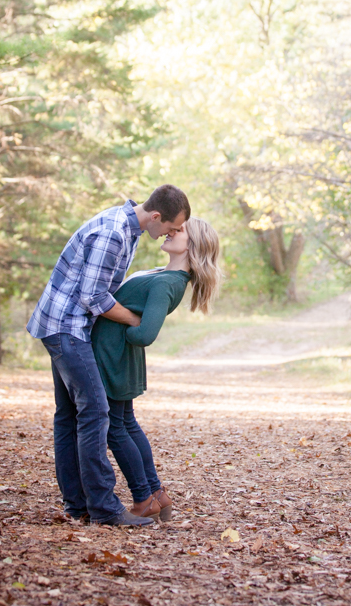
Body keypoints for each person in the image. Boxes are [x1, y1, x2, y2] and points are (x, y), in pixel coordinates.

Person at [26, 185, 190, 527]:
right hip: (67, 326)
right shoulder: (114, 233)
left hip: (67, 324)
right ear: (156, 216)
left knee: (69, 416)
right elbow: (93, 297)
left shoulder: (128, 228)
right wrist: (134, 319)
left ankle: (78, 506)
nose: (172, 233)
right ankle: (104, 508)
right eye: (172, 227)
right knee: (97, 412)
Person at [91, 217, 222, 521]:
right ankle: (155, 493)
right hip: (120, 358)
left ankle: (143, 498)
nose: (172, 231)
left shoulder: (167, 283)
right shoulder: (166, 274)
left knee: (116, 429)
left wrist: (125, 327)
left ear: (192, 245)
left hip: (115, 357)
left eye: (180, 231)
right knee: (126, 424)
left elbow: (145, 334)